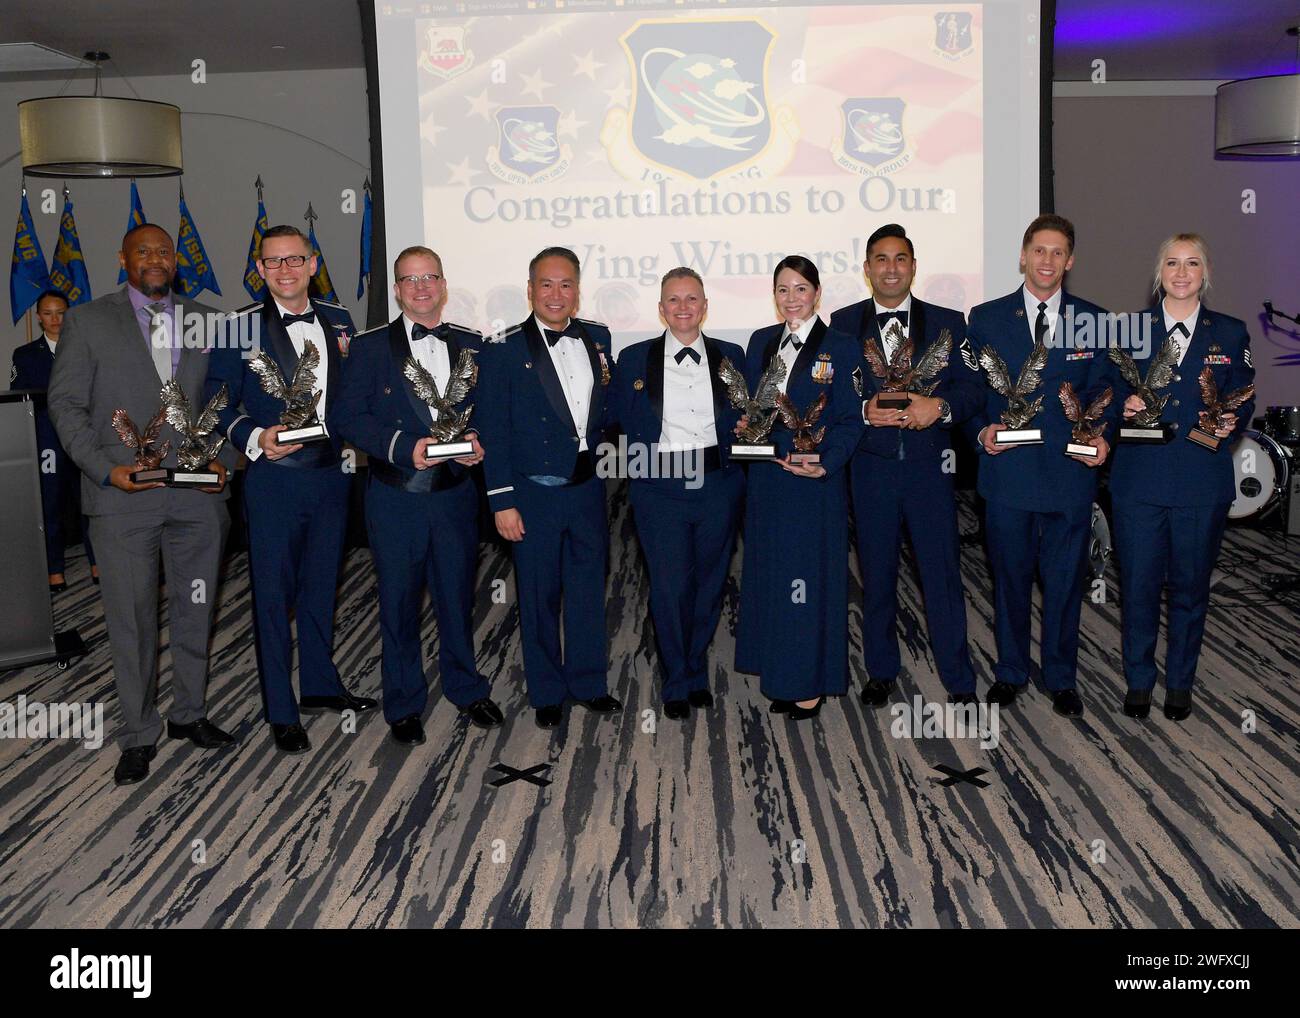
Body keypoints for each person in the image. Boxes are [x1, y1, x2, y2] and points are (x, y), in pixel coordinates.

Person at [47, 224, 234, 786]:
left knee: (197, 608)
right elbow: (66, 406)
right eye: (144, 251)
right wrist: (106, 470)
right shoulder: (86, 320)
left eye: (164, 251)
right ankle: (138, 733)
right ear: (123, 259)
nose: (156, 259)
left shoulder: (210, 320)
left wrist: (228, 459)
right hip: (121, 497)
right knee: (130, 619)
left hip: (198, 495)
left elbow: (225, 403)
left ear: (175, 261)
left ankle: (189, 715)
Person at [206, 225, 376, 755]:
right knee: (274, 599)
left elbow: (353, 396)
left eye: (294, 260)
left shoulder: (340, 320)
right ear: (260, 269)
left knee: (322, 587)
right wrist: (255, 437)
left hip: (331, 476)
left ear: (311, 263)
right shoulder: (239, 326)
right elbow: (216, 400)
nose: (284, 270)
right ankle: (280, 709)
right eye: (273, 262)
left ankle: (321, 686)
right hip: (274, 480)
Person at [332, 246, 502, 744]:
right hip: (396, 497)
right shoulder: (366, 349)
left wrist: (478, 445)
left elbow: (490, 409)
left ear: (444, 284)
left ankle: (466, 687)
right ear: (397, 289)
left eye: (430, 277)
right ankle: (404, 702)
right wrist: (404, 447)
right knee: (399, 603)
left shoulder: (475, 345)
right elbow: (347, 418)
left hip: (454, 496)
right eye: (410, 280)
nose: (421, 287)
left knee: (456, 598)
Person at [829, 224, 985, 708]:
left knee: (941, 574)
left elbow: (973, 389)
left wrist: (937, 407)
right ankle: (880, 671)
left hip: (929, 470)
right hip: (871, 470)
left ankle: (958, 678)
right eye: (881, 259)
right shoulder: (841, 324)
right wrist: (860, 410)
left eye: (900, 259)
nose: (890, 268)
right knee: (875, 575)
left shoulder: (948, 322)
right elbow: (831, 396)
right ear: (867, 268)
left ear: (914, 267)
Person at [967, 214, 1115, 717]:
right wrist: (980, 431)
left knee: (1064, 583)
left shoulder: (1095, 319)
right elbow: (969, 394)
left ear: (1069, 261)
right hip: (1007, 475)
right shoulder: (985, 318)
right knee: (1007, 580)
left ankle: (1060, 676)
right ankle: (1010, 671)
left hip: (1068, 479)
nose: (1047, 260)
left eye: (1057, 253)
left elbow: (1104, 394)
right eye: (1039, 250)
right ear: (1023, 256)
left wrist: (1102, 437)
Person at [1108, 233, 1254, 722]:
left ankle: (1180, 682)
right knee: (1139, 586)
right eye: (1172, 262)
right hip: (1139, 482)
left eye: (1192, 263)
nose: (1182, 271)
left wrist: (1235, 418)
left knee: (1191, 589)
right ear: (1159, 273)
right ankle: (1138, 680)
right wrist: (1120, 406)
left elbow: (1243, 395)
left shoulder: (1231, 333)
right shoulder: (1128, 329)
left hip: (1199, 480)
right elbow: (1102, 396)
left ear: (1205, 273)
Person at [477, 247, 622, 729]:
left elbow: (608, 410)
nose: (556, 294)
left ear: (577, 291)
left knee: (586, 589)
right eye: (546, 284)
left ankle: (588, 683)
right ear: (530, 290)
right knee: (538, 596)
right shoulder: (501, 347)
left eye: (565, 285)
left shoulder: (598, 338)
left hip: (586, 488)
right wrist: (502, 501)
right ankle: (546, 691)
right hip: (532, 492)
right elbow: (493, 429)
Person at [609, 267, 746, 720]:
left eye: (691, 299)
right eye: (673, 299)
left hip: (717, 483)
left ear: (705, 307)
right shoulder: (632, 359)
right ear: (661, 308)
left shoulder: (733, 356)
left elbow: (748, 417)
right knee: (670, 586)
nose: (683, 307)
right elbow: (617, 420)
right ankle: (675, 679)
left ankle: (695, 670)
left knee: (709, 583)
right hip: (659, 486)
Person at [734, 255, 863, 720]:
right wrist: (746, 426)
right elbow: (753, 408)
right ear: (775, 296)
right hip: (770, 479)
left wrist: (826, 465)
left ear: (817, 293)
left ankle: (809, 680)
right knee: (773, 575)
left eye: (801, 289)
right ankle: (780, 673)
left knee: (808, 581)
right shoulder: (761, 342)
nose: (792, 298)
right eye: (783, 290)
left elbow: (852, 420)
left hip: (814, 483)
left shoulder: (842, 346)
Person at [11, 289, 97, 591]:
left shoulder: (86, 348)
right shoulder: (24, 355)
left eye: (60, 312)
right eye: (48, 313)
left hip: (84, 436)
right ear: (38, 317)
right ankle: (54, 568)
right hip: (48, 437)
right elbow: (23, 399)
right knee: (50, 506)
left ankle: (97, 561)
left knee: (90, 501)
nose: (55, 319)